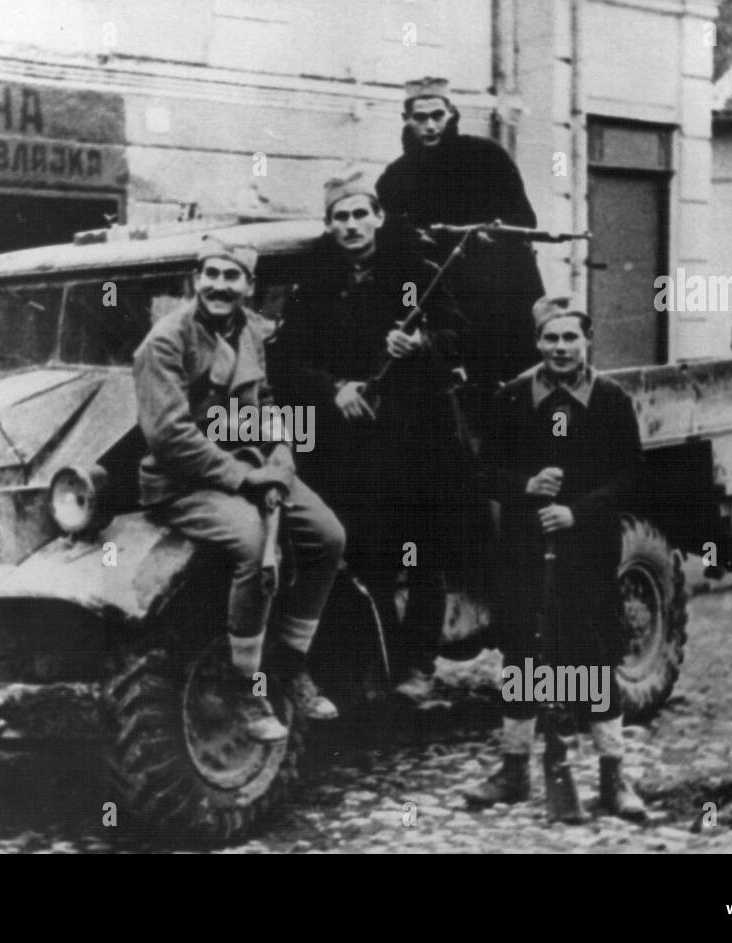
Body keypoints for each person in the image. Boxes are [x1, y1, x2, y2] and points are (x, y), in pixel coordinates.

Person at [132, 235, 346, 743]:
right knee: (254, 545)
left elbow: (262, 401)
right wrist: (247, 478)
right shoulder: (164, 343)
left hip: (251, 466)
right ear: (195, 280)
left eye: (232, 277)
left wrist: (280, 451)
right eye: (211, 275)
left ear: (249, 287)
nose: (219, 286)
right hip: (182, 484)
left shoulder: (249, 330)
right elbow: (170, 438)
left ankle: (290, 666)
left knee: (327, 537)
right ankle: (244, 686)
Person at [270, 170, 464, 703]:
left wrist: (420, 344)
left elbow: (457, 339)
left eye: (360, 214)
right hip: (346, 448)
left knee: (422, 555)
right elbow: (285, 359)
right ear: (329, 225)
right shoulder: (314, 286)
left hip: (415, 440)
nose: (351, 226)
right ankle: (374, 668)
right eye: (340, 217)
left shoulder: (416, 274)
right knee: (362, 557)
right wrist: (333, 390)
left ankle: (421, 666)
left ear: (377, 217)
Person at [465, 296, 647, 822]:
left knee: (590, 654)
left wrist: (576, 511)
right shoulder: (512, 399)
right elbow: (483, 471)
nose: (561, 348)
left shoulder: (610, 399)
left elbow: (631, 476)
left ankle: (613, 777)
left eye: (571, 338)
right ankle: (515, 770)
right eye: (551, 338)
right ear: (538, 342)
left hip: (587, 550)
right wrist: (524, 486)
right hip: (525, 548)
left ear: (586, 341)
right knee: (523, 653)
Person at [376, 76, 544, 398]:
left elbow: (524, 221)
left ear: (451, 114)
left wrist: (487, 238)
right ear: (406, 119)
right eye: (420, 117)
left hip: (497, 297)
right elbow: (393, 249)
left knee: (512, 387)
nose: (430, 126)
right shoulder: (393, 179)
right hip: (437, 303)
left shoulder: (488, 157)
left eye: (437, 115)